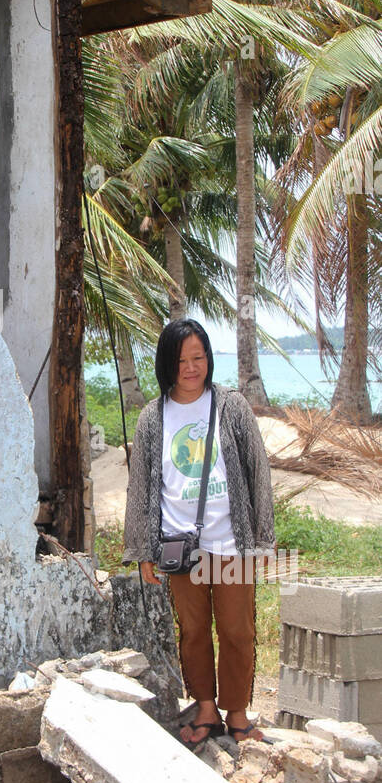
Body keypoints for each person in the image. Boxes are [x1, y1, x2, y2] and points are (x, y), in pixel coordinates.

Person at [122, 318, 276, 747]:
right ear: (166, 364)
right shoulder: (153, 417)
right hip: (179, 547)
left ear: (208, 359)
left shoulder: (232, 407)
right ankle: (206, 708)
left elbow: (257, 472)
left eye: (199, 357)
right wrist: (143, 550)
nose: (191, 367)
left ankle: (239, 713)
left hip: (230, 543)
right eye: (181, 359)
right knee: (192, 630)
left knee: (237, 629)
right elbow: (143, 486)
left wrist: (262, 539)